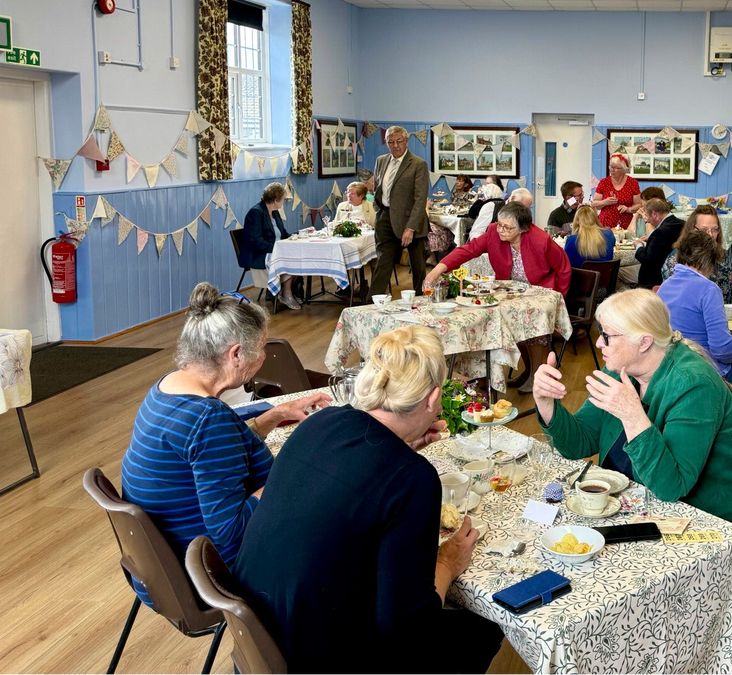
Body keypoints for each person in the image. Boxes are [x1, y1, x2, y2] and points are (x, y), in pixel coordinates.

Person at [233, 326, 502, 672]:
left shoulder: (322, 422)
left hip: (260, 637)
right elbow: (406, 628)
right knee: (481, 627)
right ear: (434, 399)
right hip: (316, 658)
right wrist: (448, 563)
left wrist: (400, 451)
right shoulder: (412, 479)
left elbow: (346, 489)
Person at [120, 283, 330, 606]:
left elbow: (217, 452)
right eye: (260, 349)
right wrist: (290, 473)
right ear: (235, 355)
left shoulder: (165, 389)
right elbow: (231, 538)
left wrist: (275, 414)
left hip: (160, 571)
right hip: (206, 577)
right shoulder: (207, 420)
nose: (263, 356)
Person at [531, 289, 732, 535]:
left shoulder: (694, 384)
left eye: (607, 335)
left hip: (716, 518)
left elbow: (671, 486)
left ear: (644, 342)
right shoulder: (621, 368)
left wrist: (632, 414)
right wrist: (546, 402)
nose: (599, 342)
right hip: (640, 502)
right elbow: (577, 444)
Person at [658, 230, 732, 401]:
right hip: (707, 369)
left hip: (674, 366)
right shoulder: (708, 289)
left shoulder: (665, 286)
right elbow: (721, 350)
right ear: (708, 261)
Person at [426, 202, 571, 296]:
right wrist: (437, 270)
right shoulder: (493, 232)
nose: (500, 230)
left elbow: (563, 268)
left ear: (523, 229)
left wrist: (559, 297)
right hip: (508, 290)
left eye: (506, 227)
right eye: (499, 224)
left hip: (539, 291)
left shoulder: (541, 240)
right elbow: (467, 250)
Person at [369, 126, 429, 296]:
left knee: (417, 267)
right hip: (385, 218)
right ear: (386, 143)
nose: (395, 145)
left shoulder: (418, 164)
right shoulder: (381, 161)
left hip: (411, 221)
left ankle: (421, 302)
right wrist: (378, 209)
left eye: (399, 141)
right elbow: (377, 189)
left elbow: (420, 199)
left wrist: (410, 227)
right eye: (390, 142)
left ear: (406, 141)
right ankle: (371, 305)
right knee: (382, 264)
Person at [661, 204, 732, 304]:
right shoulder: (675, 260)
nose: (710, 234)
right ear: (692, 230)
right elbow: (672, 302)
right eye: (704, 230)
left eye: (714, 229)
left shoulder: (722, 257)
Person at [239, 182, 301, 309]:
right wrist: (278, 249)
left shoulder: (275, 212)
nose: (284, 201)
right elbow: (256, 241)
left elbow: (283, 234)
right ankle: (286, 293)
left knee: (299, 257)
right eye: (283, 199)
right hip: (259, 254)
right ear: (275, 200)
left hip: (275, 251)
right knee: (290, 261)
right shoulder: (255, 213)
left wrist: (299, 235)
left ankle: (283, 291)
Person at [632, 198, 683, 288]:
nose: (647, 220)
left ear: (654, 214)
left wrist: (638, 246)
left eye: (647, 216)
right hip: (676, 276)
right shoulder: (683, 224)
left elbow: (648, 260)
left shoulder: (660, 232)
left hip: (655, 282)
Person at [592, 154, 642, 230]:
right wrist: (605, 202)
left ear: (624, 169)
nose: (612, 170)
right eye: (611, 167)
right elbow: (595, 203)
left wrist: (628, 209)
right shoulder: (604, 182)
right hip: (605, 225)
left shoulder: (633, 183)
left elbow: (639, 205)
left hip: (626, 225)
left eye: (616, 168)